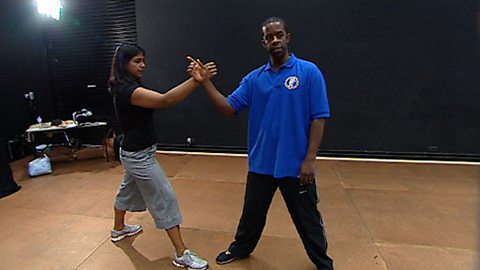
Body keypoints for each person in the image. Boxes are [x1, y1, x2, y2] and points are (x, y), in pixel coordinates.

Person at [198, 17, 334, 269]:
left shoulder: (309, 72)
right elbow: (229, 108)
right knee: (252, 214)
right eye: (269, 37)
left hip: (296, 166)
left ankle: (323, 262)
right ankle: (241, 248)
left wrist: (310, 159)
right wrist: (205, 82)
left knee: (308, 219)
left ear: (287, 37)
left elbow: (319, 117)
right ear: (264, 42)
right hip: (262, 163)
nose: (275, 40)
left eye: (279, 35)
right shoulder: (254, 79)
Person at [108, 43, 216, 270]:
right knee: (165, 197)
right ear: (123, 64)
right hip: (138, 156)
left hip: (134, 152)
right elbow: (164, 100)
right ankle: (181, 253)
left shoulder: (127, 86)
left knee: (127, 190)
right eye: (137, 61)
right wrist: (196, 81)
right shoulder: (127, 91)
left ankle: (118, 230)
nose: (143, 65)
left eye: (143, 60)